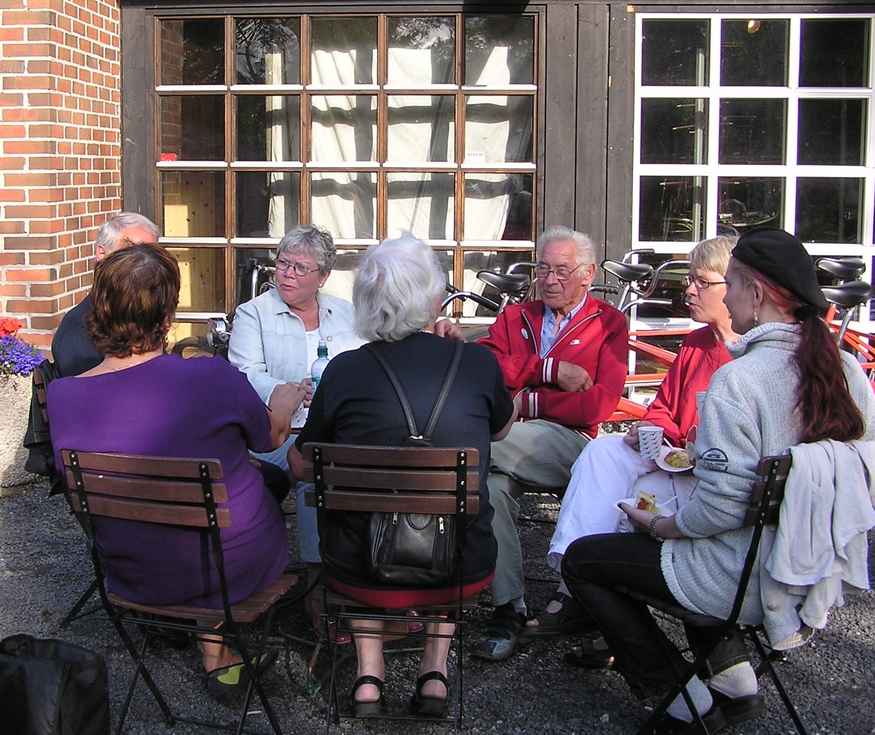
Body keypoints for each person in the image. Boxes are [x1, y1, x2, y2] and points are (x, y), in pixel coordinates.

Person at [563, 228, 875, 735]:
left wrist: (657, 525)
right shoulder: (844, 367)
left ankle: (683, 702)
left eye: (730, 284)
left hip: (739, 579)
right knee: (667, 544)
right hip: (807, 570)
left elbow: (718, 511)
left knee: (584, 559)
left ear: (757, 292)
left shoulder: (740, 379)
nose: (726, 297)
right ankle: (735, 683)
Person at [47, 243, 303, 701]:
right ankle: (219, 652)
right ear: (166, 317)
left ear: (97, 309)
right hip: (233, 568)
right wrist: (282, 403)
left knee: (200, 506)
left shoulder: (63, 396)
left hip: (134, 569)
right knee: (245, 490)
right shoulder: (209, 376)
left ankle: (214, 652)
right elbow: (270, 438)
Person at [289, 234, 515, 717]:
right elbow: (500, 427)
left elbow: (302, 461)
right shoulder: (476, 361)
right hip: (459, 567)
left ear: (365, 302)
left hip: (358, 568)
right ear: (433, 298)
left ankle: (369, 677)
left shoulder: (343, 371)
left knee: (355, 523)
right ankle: (434, 673)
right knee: (451, 523)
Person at [526, 236, 741, 665]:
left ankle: (603, 616)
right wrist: (650, 430)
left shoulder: (749, 357)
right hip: (678, 467)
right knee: (604, 452)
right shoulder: (697, 344)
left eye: (701, 282)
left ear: (735, 287)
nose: (689, 290)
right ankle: (575, 581)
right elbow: (663, 408)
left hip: (715, 488)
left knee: (620, 505)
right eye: (691, 280)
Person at [472, 225, 629, 662]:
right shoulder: (515, 316)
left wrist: (527, 401)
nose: (550, 280)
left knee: (472, 453)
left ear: (588, 274)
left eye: (562, 270)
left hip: (571, 444)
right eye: (543, 269)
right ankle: (509, 607)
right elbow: (485, 364)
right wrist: (548, 371)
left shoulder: (609, 323)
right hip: (510, 440)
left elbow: (597, 405)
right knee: (491, 488)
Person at [227, 225, 366, 634]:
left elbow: (366, 364)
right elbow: (245, 373)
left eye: (300, 267)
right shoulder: (253, 314)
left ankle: (365, 578)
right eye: (283, 263)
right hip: (277, 433)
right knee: (312, 475)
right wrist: (287, 391)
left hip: (336, 432)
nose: (287, 274)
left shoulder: (347, 313)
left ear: (323, 276)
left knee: (370, 473)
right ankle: (317, 585)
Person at [52, 212, 160, 378]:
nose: (144, 265)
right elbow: (88, 389)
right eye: (132, 255)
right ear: (102, 254)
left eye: (153, 257)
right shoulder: (78, 331)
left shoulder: (148, 317)